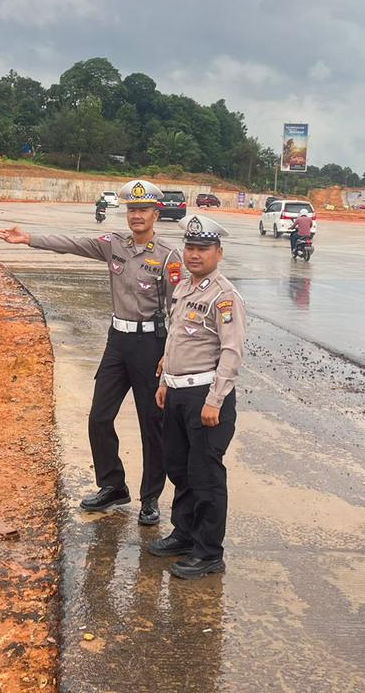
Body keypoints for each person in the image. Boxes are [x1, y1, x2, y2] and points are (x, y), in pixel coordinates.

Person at [0, 179, 182, 525]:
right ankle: (112, 485)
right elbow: (73, 244)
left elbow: (178, 310)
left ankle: (150, 498)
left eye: (143, 210)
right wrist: (29, 239)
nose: (136, 216)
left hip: (150, 346)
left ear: (156, 213)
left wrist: (169, 355)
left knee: (150, 424)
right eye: (131, 210)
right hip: (117, 343)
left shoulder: (168, 256)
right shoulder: (114, 245)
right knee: (99, 416)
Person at [148, 213, 244, 579]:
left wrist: (215, 400)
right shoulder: (184, 288)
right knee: (179, 468)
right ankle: (185, 534)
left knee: (205, 476)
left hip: (205, 397)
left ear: (218, 252)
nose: (194, 254)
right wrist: (163, 383)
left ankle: (208, 552)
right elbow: (175, 341)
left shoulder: (225, 297)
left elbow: (231, 352)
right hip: (176, 393)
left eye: (203, 248)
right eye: (190, 247)